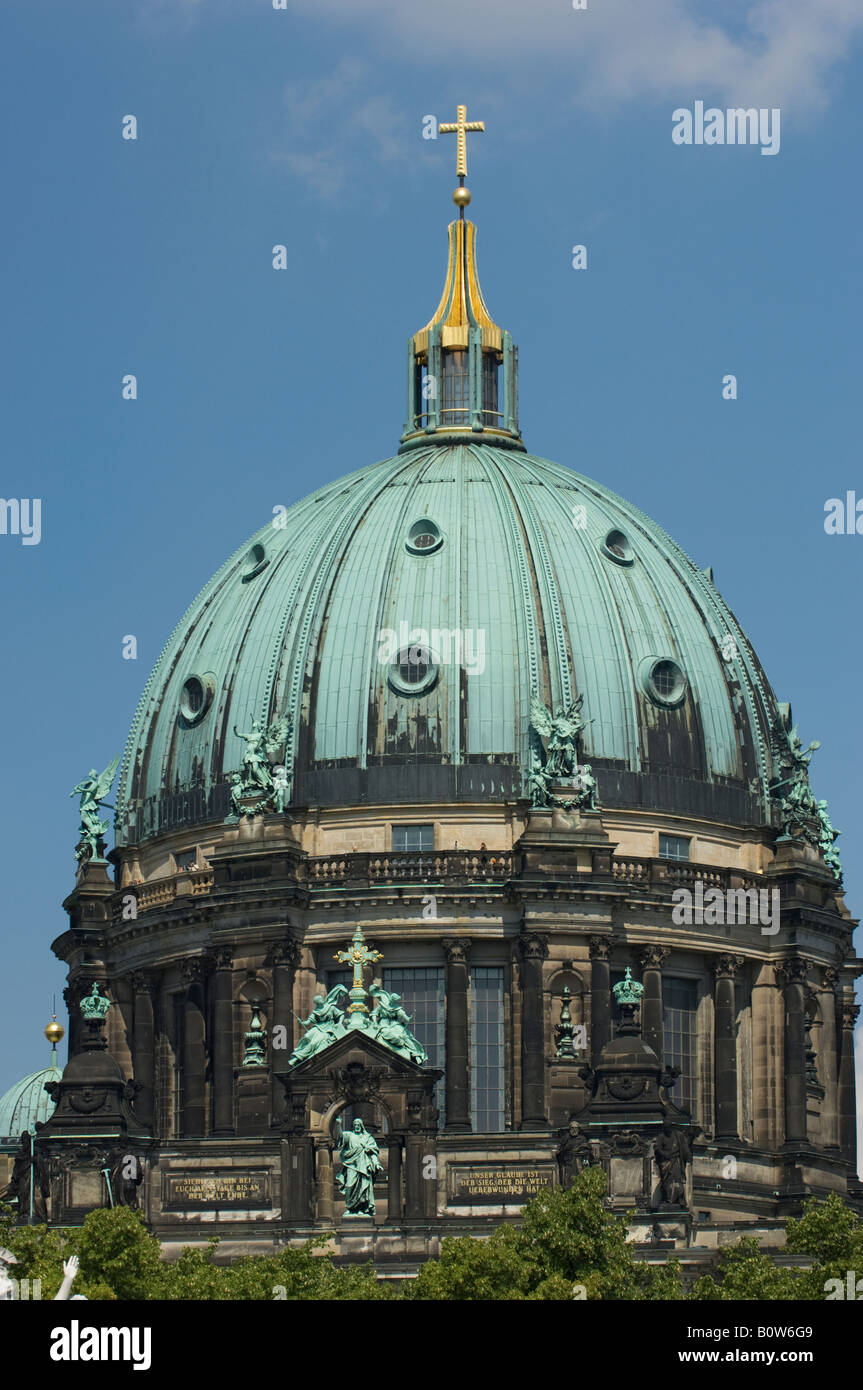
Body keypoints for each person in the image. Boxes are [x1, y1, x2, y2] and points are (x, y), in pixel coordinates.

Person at [334, 1117, 382, 1216]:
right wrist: (338, 1125)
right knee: (349, 1186)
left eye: (358, 1125)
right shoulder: (349, 1135)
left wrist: (376, 1163)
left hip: (364, 1166)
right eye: (355, 1125)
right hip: (351, 1165)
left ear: (361, 1126)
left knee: (363, 1188)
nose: (357, 1127)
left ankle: (362, 1209)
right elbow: (341, 1137)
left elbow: (373, 1152)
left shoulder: (368, 1138)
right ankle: (351, 1208)